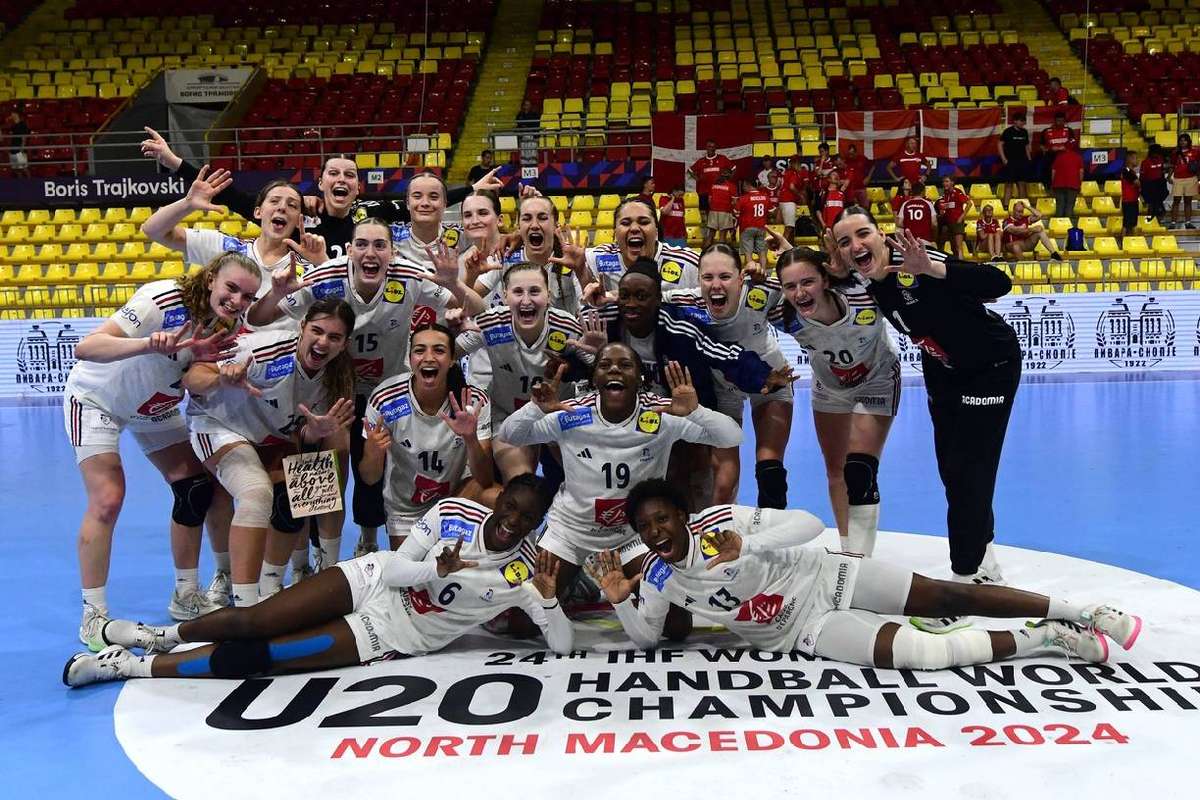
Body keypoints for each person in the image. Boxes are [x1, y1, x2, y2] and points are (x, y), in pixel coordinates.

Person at [64, 475, 572, 687]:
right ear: (499, 499)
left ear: (539, 521)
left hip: (392, 634)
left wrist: (549, 604)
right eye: (511, 507)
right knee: (256, 618)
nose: (514, 521)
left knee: (262, 657)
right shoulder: (452, 512)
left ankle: (131, 667)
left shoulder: (525, 574)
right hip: (374, 581)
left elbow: (564, 647)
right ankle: (160, 636)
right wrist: (433, 571)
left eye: (529, 518)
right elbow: (395, 569)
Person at [590, 478, 1143, 666]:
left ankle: (1084, 612)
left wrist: (748, 547)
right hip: (799, 631)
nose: (656, 531)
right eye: (645, 526)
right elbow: (644, 637)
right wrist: (619, 597)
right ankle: (1047, 638)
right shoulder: (660, 579)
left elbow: (807, 523)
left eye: (662, 519)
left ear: (681, 516)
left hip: (824, 576)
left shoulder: (721, 521)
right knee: (922, 657)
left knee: (948, 597)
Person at [829, 209, 1021, 630]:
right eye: (845, 242)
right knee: (952, 471)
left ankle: (965, 586)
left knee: (971, 471)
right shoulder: (865, 278)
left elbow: (999, 284)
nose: (856, 245)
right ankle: (985, 562)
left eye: (863, 235)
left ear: (881, 236)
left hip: (991, 366)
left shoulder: (915, 260)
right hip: (943, 370)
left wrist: (934, 268)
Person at [246, 217, 474, 558]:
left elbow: (470, 308)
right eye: (363, 244)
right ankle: (307, 560)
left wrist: (455, 285)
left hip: (386, 392)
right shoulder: (325, 277)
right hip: (333, 390)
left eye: (379, 245)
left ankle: (367, 540)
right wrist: (277, 292)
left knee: (375, 471)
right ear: (350, 250)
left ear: (392, 253)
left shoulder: (410, 275)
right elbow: (257, 318)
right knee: (318, 473)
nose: (371, 252)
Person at [66, 252, 258, 649]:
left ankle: (186, 594)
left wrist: (221, 375)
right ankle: (93, 614)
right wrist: (147, 346)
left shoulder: (230, 327)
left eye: (247, 297)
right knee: (108, 499)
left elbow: (192, 378)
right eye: (232, 288)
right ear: (211, 281)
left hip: (154, 406)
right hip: (97, 398)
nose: (237, 301)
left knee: (196, 488)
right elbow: (86, 347)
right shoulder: (164, 300)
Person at [498, 346, 740, 641]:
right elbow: (510, 435)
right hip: (571, 533)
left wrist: (696, 412)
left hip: (633, 537)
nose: (614, 370)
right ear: (594, 377)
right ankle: (580, 582)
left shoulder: (661, 413)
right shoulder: (572, 413)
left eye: (625, 364)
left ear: (640, 377)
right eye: (605, 365)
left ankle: (591, 580)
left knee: (676, 627)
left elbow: (732, 436)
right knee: (522, 626)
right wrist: (535, 408)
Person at [183, 299, 357, 607]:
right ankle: (246, 603)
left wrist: (315, 434)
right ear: (302, 327)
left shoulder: (335, 378)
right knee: (256, 493)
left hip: (271, 435)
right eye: (316, 331)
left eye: (334, 337)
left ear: (344, 344)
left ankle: (273, 584)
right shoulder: (263, 349)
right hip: (219, 424)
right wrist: (221, 378)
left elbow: (300, 430)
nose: (322, 342)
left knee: (305, 489)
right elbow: (193, 376)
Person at [141, 129, 499, 261]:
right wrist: (175, 163)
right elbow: (231, 195)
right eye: (334, 174)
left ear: (358, 187)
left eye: (349, 175)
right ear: (322, 182)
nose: (341, 179)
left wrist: (471, 190)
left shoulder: (371, 211)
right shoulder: (296, 214)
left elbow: (423, 203)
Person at [770, 246, 898, 555]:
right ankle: (846, 548)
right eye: (790, 286)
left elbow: (888, 272)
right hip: (830, 386)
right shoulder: (781, 315)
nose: (799, 293)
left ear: (825, 280)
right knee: (836, 471)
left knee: (860, 469)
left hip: (878, 378)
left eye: (808, 282)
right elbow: (730, 300)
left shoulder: (862, 297)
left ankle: (861, 560)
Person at [664, 243, 794, 509]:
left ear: (740, 277)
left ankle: (769, 543)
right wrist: (594, 287)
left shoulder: (762, 291)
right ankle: (719, 537)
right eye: (707, 277)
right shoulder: (685, 301)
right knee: (723, 482)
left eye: (724, 277)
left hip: (772, 380)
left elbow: (809, 289)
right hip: (723, 390)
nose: (716, 285)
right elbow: (638, 296)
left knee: (770, 469)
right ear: (698, 279)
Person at [359, 324, 497, 549]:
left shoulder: (473, 399)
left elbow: (485, 479)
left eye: (439, 350)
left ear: (453, 359)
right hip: (405, 509)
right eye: (420, 350)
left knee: (501, 500)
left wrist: (471, 439)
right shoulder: (385, 398)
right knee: (412, 576)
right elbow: (369, 478)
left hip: (458, 496)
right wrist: (373, 452)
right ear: (410, 357)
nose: (429, 358)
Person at [457, 262, 585, 481]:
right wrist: (450, 328)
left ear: (549, 295)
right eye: (518, 292)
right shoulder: (491, 323)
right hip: (509, 415)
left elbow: (595, 370)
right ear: (505, 296)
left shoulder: (568, 327)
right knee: (520, 484)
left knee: (583, 480)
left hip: (558, 413)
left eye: (535, 291)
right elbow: (447, 352)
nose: (526, 300)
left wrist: (594, 354)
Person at [141, 167, 328, 311]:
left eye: (292, 205)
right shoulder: (226, 249)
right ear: (258, 212)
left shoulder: (307, 270)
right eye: (274, 201)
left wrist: (322, 264)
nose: (282, 208)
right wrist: (187, 204)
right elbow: (153, 231)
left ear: (298, 220)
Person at [583, 197, 698, 296]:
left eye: (643, 222)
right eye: (625, 223)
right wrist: (579, 267)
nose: (634, 228)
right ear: (614, 233)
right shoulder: (596, 258)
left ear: (657, 231)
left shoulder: (689, 264)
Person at [688, 139, 733, 225]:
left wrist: (728, 179)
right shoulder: (701, 161)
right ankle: (706, 232)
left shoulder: (722, 159)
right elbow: (690, 170)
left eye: (713, 147)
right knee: (704, 213)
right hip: (703, 191)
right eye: (709, 146)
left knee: (717, 212)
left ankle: (717, 232)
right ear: (706, 148)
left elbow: (733, 168)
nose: (711, 148)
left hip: (718, 191)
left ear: (715, 148)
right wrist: (697, 178)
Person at [735, 178, 774, 273]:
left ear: (748, 185)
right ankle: (763, 272)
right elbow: (772, 212)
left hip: (747, 228)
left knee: (748, 253)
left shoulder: (743, 198)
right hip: (761, 227)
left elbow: (736, 213)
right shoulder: (765, 197)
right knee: (762, 252)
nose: (743, 188)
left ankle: (751, 273)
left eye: (744, 185)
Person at [935, 176, 973, 259]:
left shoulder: (957, 192)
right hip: (948, 223)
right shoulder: (944, 195)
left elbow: (969, 203)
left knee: (958, 247)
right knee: (953, 247)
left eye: (947, 181)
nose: (944, 183)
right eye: (943, 182)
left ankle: (961, 266)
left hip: (957, 223)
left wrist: (961, 217)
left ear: (952, 183)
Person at [998, 113, 1032, 207]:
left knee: (1022, 184)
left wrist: (1029, 159)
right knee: (1009, 184)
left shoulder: (1024, 132)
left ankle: (1022, 205)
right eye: (1021, 121)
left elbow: (1026, 146)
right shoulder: (1007, 131)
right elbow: (1000, 144)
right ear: (1015, 121)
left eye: (1023, 121)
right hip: (1011, 162)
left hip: (1022, 162)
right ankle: (1006, 205)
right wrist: (1004, 158)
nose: (1022, 123)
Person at [1169, 133, 1198, 229]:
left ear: (1188, 141)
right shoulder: (1175, 153)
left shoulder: (1195, 151)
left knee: (1188, 201)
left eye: (1184, 140)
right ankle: (1173, 222)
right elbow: (1172, 165)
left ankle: (1188, 222)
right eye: (1181, 140)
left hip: (1191, 178)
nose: (1182, 142)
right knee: (1176, 200)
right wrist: (1169, 176)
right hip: (1178, 178)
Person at [778, 155, 810, 241]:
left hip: (784, 200)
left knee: (790, 227)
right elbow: (792, 187)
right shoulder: (793, 173)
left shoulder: (788, 173)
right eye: (795, 163)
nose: (797, 165)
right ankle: (782, 249)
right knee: (789, 228)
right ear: (792, 164)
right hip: (788, 201)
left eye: (798, 163)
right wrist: (800, 195)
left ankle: (788, 248)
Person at [704, 168, 738, 247]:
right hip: (725, 212)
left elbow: (709, 200)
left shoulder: (713, 185)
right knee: (722, 237)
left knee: (710, 236)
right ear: (730, 176)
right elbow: (734, 202)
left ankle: (703, 254)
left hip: (713, 211)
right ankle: (720, 255)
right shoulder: (732, 186)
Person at [1051, 142, 1085, 220]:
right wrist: (1079, 183)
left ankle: (1058, 225)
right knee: (1070, 205)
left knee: (1060, 205)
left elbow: (1053, 171)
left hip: (1058, 185)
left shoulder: (1059, 157)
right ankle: (1067, 225)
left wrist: (1053, 183)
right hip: (1073, 185)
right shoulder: (1078, 157)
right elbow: (1081, 172)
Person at [1140, 143, 1169, 224]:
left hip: (1160, 184)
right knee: (1151, 205)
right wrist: (1142, 188)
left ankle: (1159, 221)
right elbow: (1142, 176)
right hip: (1149, 185)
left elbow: (1162, 170)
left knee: (1159, 204)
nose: (1156, 153)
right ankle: (1148, 222)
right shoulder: (1145, 162)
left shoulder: (1161, 159)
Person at [840, 143, 870, 208]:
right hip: (851, 190)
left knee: (865, 208)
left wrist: (868, 177)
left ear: (856, 152)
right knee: (853, 208)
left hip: (861, 187)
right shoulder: (847, 160)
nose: (851, 155)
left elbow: (872, 166)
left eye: (852, 153)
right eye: (849, 154)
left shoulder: (862, 159)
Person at [1119, 156, 1141, 243]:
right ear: (1130, 160)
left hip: (1133, 200)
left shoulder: (1131, 171)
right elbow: (1137, 183)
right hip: (1128, 201)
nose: (1137, 160)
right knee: (1127, 224)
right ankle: (1123, 243)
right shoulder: (1126, 171)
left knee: (1132, 223)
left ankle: (1131, 242)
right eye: (1135, 158)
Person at [7, 108, 30, 178]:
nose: (11, 115)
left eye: (12, 114)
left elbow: (24, 138)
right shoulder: (13, 126)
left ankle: (31, 183)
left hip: (20, 150)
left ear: (16, 114)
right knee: (16, 169)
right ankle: (21, 183)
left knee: (24, 169)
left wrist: (22, 149)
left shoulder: (22, 125)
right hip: (13, 150)